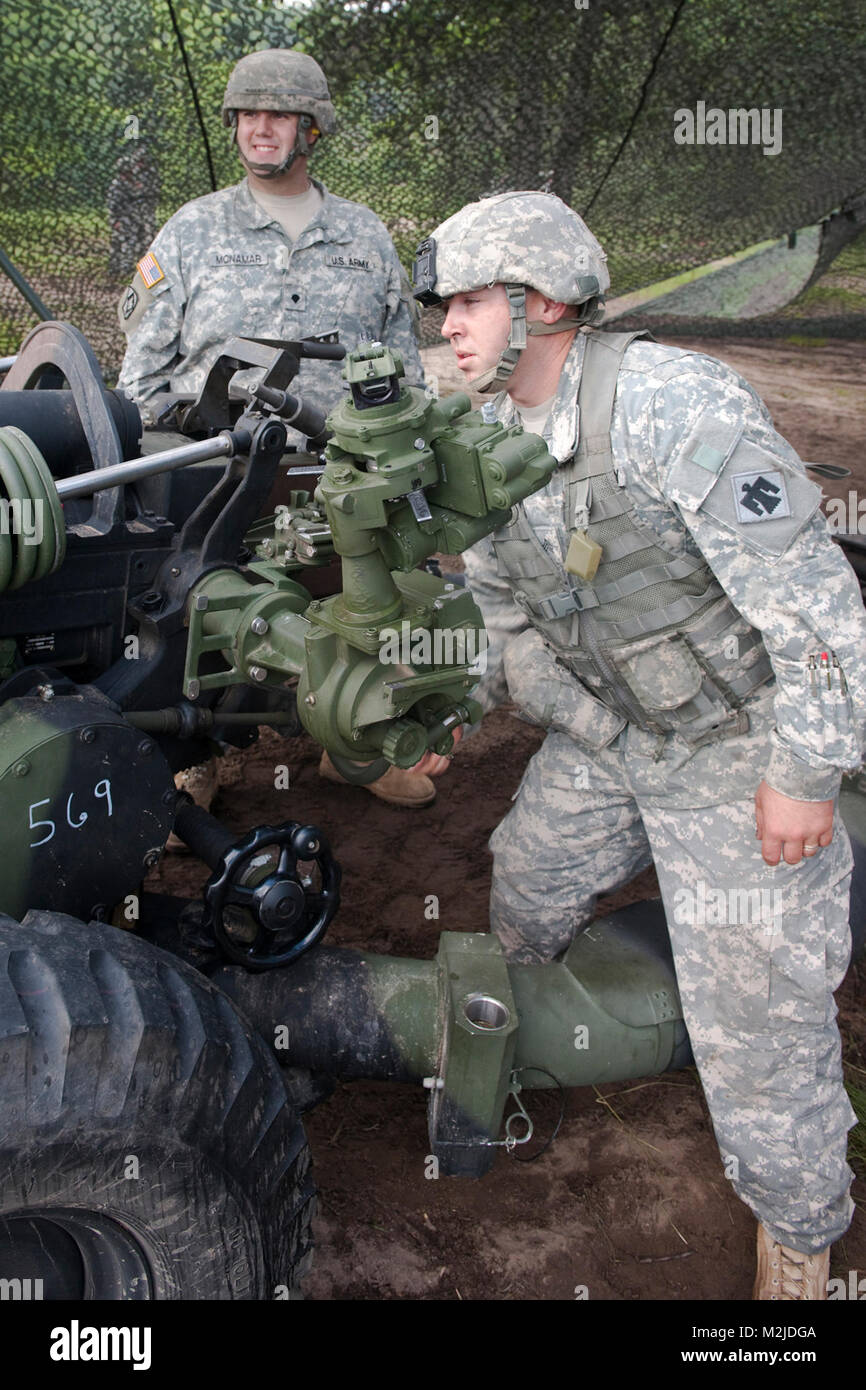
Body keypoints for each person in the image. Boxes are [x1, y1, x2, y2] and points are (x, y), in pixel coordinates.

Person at [411, 190, 866, 1299]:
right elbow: (498, 609)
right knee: (525, 874)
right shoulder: (477, 434)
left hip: (732, 739)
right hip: (616, 729)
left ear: (544, 304)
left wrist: (803, 774)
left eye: (468, 301)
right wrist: (446, 698)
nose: (445, 327)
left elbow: (811, 607)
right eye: (441, 306)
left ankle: (799, 1230)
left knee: (757, 1011)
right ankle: (525, 1037)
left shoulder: (672, 406)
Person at [117, 48, 435, 817]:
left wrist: (407, 450)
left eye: (279, 114)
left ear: (311, 127)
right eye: (248, 114)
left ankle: (351, 744)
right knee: (208, 609)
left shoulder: (363, 237)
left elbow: (403, 364)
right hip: (218, 474)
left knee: (361, 601)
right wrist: (169, 457)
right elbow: (140, 374)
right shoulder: (192, 231)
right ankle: (201, 757)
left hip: (337, 471)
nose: (260, 128)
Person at [107, 144, 160, 280]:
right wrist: (116, 221)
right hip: (126, 219)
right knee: (126, 244)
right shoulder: (118, 184)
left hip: (140, 217)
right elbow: (114, 206)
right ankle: (123, 272)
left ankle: (148, 274)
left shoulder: (143, 179)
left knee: (146, 244)